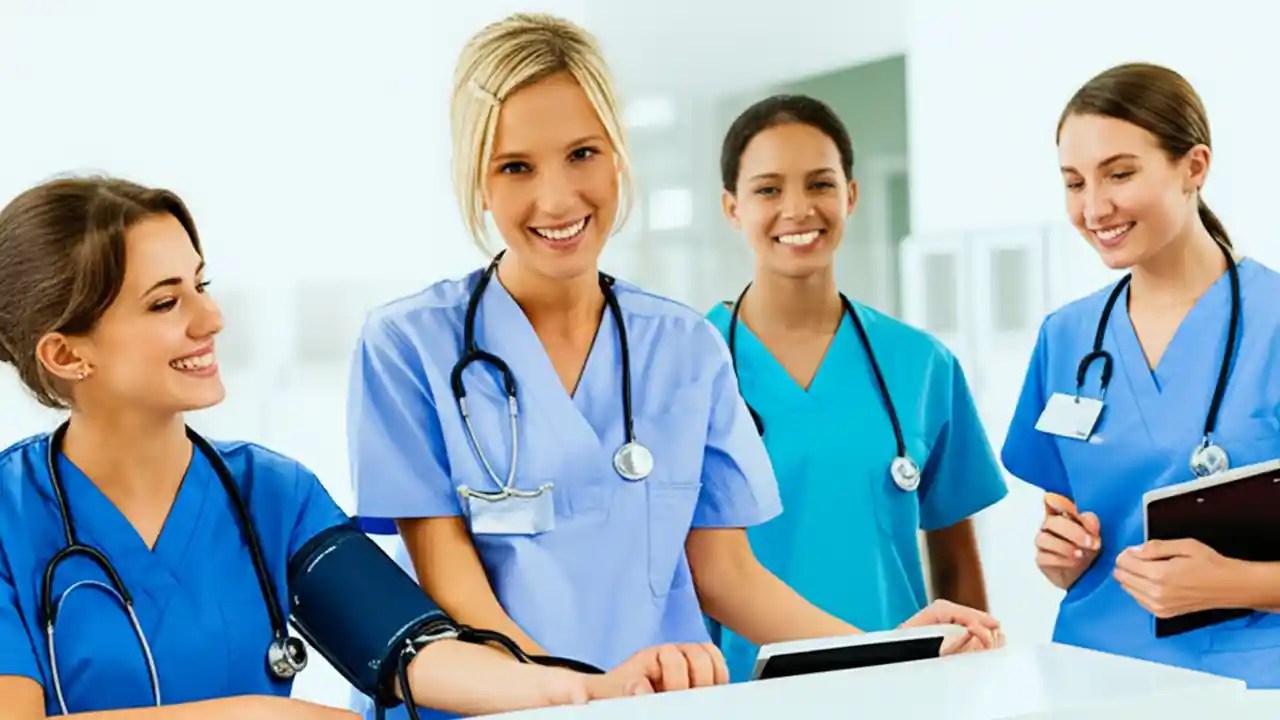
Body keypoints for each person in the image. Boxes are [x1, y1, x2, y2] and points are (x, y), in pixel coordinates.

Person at [346, 13, 1004, 718]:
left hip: (658, 706)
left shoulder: (685, 348)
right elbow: (452, 590)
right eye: (515, 167)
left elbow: (727, 576)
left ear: (619, 154)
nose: (558, 198)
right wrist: (583, 695)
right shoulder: (407, 347)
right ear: (475, 179)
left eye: (583, 154)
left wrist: (886, 655)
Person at [0, 176, 696, 719]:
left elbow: (413, 653)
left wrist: (588, 692)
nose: (211, 319)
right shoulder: (9, 515)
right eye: (164, 302)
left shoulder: (270, 493)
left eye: (201, 286)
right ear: (66, 353)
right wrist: (251, 715)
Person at [704, 94, 1008, 681]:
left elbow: (957, 565)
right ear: (732, 208)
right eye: (768, 189)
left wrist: (975, 681)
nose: (797, 209)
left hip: (901, 689)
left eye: (819, 184)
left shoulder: (922, 365)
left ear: (851, 194)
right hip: (741, 694)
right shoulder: (689, 366)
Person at [1001, 62, 1280, 688]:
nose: (1094, 207)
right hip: (1089, 674)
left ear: (1194, 167)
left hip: (1245, 682)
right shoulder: (1067, 337)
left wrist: (1235, 582)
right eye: (1074, 182)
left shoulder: (1273, 323)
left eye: (1120, 174)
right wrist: (1061, 555)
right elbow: (1071, 527)